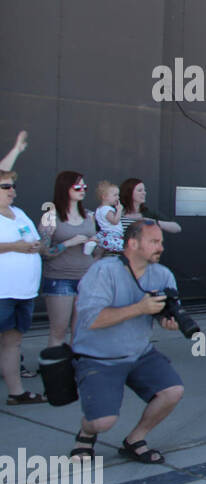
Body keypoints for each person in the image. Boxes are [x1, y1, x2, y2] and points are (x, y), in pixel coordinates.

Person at [67, 220, 185, 462]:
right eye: (154, 242)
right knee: (103, 422)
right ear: (132, 243)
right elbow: (91, 320)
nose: (160, 247)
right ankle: (87, 432)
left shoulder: (163, 274)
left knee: (173, 391)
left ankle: (135, 439)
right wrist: (139, 308)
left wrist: (168, 321)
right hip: (98, 357)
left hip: (139, 353)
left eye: (161, 241)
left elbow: (167, 313)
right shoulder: (104, 271)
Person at [0, 169, 46, 405]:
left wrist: (35, 246)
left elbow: (31, 239)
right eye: (5, 187)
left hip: (23, 291)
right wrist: (14, 247)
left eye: (12, 186)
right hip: (2, 292)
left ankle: (16, 393)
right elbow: (14, 245)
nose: (12, 191)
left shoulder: (19, 213)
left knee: (13, 343)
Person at [38, 170, 97, 348]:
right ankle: (54, 370)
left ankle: (76, 369)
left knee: (80, 330)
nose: (83, 190)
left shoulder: (88, 215)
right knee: (59, 331)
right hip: (60, 278)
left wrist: (96, 243)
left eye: (84, 186)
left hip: (85, 277)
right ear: (65, 188)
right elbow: (43, 251)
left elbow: (96, 251)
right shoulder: (51, 217)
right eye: (78, 186)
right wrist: (68, 243)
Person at [92, 181, 125, 254]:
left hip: (104, 233)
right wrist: (119, 210)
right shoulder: (107, 209)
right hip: (112, 234)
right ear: (104, 197)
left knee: (100, 254)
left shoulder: (99, 209)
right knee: (125, 247)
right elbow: (115, 221)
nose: (118, 197)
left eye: (118, 195)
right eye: (115, 195)